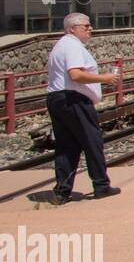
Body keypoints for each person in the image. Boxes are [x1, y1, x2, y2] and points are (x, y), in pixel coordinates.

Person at [45, 13, 122, 203]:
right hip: (73, 98)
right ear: (72, 29)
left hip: (57, 97)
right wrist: (104, 78)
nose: (90, 29)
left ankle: (62, 191)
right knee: (92, 140)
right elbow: (76, 75)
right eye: (86, 26)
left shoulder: (61, 45)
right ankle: (101, 185)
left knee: (66, 145)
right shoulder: (72, 46)